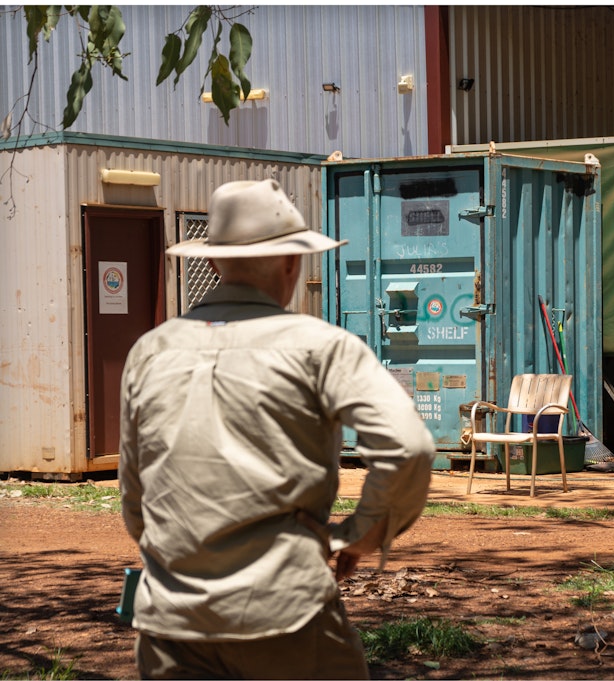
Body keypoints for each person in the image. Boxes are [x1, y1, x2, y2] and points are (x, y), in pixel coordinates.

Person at [119, 178, 436, 679]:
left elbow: (135, 497)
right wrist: (362, 535)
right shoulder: (321, 346)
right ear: (292, 261)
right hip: (286, 612)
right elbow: (408, 446)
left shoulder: (151, 351)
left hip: (170, 621)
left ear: (213, 262)